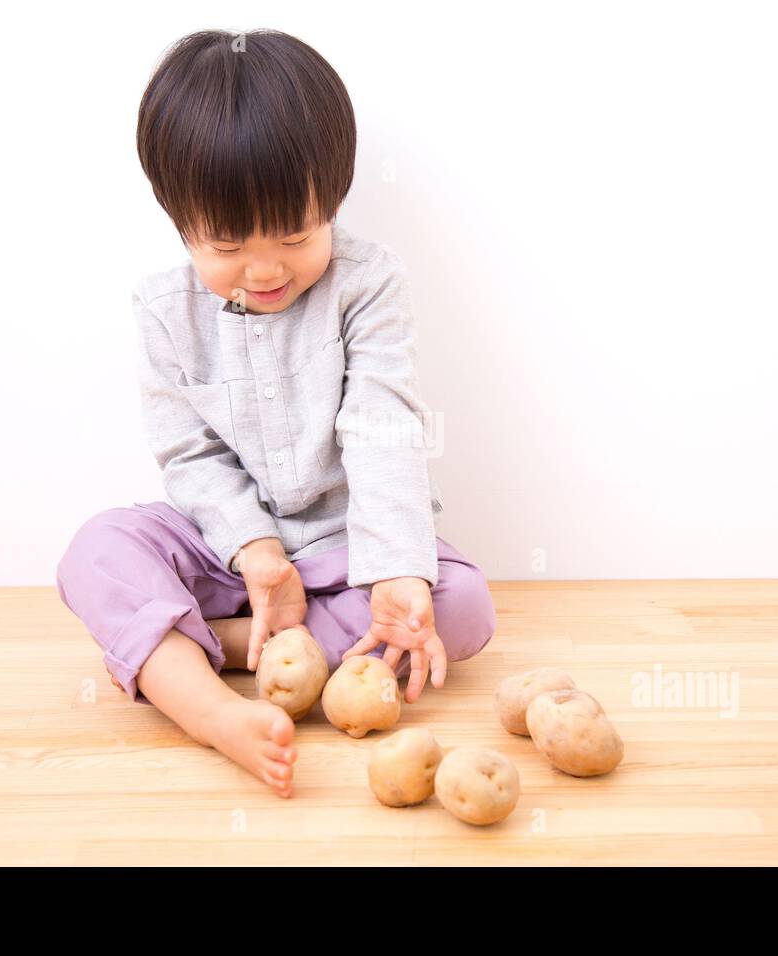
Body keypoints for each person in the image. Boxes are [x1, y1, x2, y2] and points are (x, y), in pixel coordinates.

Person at [56, 28, 496, 798]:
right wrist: (255, 551)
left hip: (343, 543)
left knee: (460, 608)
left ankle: (214, 645)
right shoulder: (164, 311)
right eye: (226, 245)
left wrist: (396, 571)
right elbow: (189, 456)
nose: (264, 270)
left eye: (295, 236)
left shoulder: (369, 284)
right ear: (180, 222)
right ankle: (211, 712)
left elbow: (381, 419)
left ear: (332, 200)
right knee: (98, 551)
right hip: (222, 555)